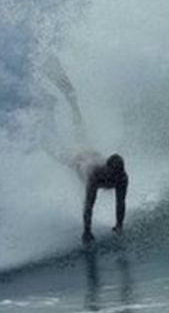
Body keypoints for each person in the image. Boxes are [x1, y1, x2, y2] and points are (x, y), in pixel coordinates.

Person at [42, 57, 129, 244]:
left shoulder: (122, 176)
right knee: (49, 149)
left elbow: (120, 203)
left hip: (90, 151)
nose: (119, 176)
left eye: (120, 172)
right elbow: (89, 204)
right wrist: (87, 231)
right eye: (116, 172)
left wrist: (119, 224)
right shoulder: (95, 175)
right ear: (108, 168)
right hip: (77, 160)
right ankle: (48, 106)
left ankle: (67, 94)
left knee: (78, 120)